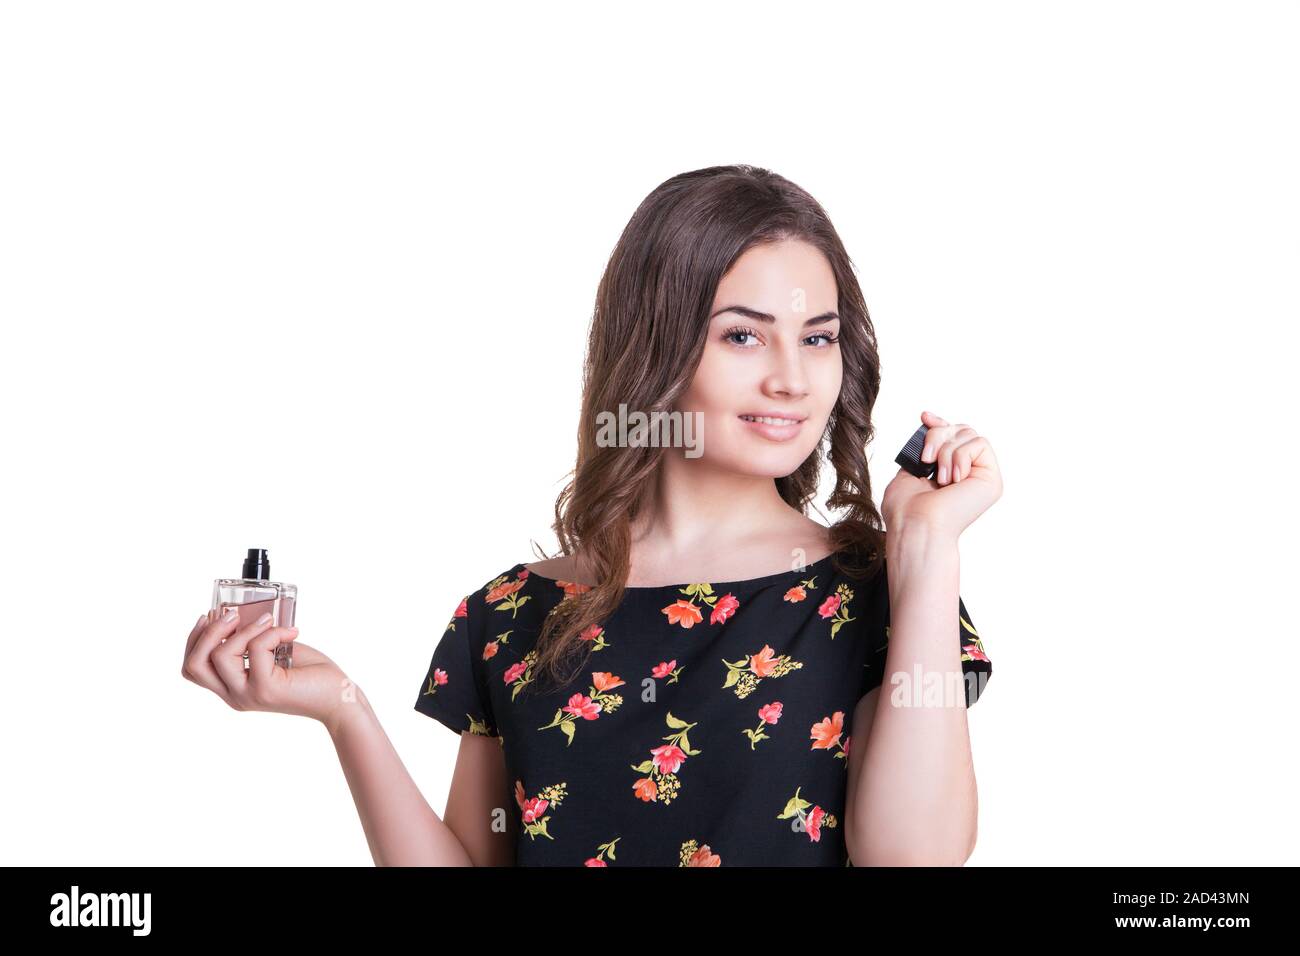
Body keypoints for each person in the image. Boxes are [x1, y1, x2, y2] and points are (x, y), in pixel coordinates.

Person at [181, 164, 1003, 866]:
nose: (792, 379)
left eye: (817, 339)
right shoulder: (506, 616)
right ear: (655, 345)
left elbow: (915, 857)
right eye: (743, 338)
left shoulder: (873, 596)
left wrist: (926, 546)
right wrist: (342, 710)